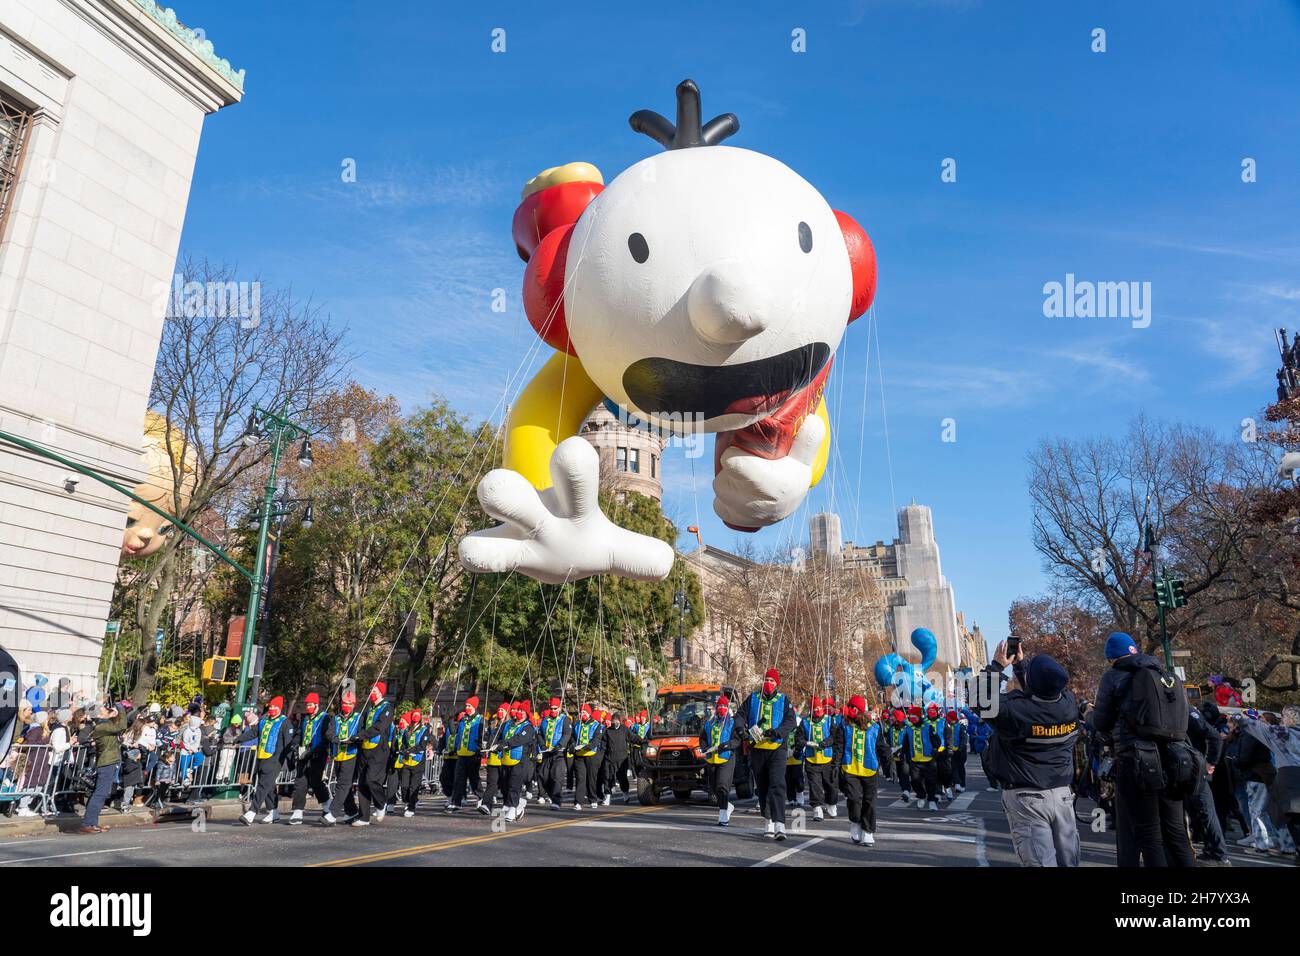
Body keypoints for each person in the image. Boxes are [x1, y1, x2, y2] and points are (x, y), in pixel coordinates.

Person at [1091, 632, 1195, 867]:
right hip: (1174, 757)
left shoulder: (1113, 677)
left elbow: (1101, 721)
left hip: (1137, 760)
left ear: (1111, 657)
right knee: (1177, 831)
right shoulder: (1162, 672)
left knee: (1148, 832)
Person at [979, 642, 1081, 867]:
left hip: (1027, 796)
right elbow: (1044, 691)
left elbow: (980, 699)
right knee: (1069, 862)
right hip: (1062, 793)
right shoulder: (1068, 705)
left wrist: (997, 666)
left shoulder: (1016, 712)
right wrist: (1022, 669)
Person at [739, 668, 796, 840]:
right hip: (757, 749)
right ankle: (768, 820)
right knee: (762, 786)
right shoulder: (753, 698)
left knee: (777, 784)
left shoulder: (784, 700)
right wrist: (741, 730)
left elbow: (791, 721)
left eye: (772, 681)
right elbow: (740, 715)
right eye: (766, 680)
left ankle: (780, 824)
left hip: (777, 749)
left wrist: (777, 732)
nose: (768, 683)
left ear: (777, 684)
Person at [835, 696, 890, 846]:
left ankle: (868, 831)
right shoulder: (844, 726)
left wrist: (887, 765)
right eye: (850, 707)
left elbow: (882, 747)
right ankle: (855, 822)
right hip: (850, 769)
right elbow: (838, 747)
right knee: (853, 799)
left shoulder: (875, 727)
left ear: (861, 711)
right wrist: (835, 766)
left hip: (869, 770)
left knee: (869, 802)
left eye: (854, 708)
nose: (851, 710)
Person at [1184, 701, 1230, 864]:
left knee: (1206, 812)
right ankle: (1210, 849)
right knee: (1197, 814)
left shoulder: (1187, 711)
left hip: (1196, 769)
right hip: (1185, 769)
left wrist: (1211, 762)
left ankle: (1219, 853)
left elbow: (1214, 737)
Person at [239, 695, 291, 825]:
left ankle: (251, 812)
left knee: (262, 785)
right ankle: (273, 812)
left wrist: (290, 760)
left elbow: (288, 742)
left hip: (275, 759)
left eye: (275, 706)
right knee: (269, 786)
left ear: (280, 708)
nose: (272, 708)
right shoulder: (264, 720)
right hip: (262, 757)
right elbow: (254, 733)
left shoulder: (285, 722)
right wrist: (237, 739)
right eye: (271, 706)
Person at [79, 700, 126, 834]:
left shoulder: (104, 724)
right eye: (104, 709)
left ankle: (92, 822)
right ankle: (87, 823)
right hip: (106, 763)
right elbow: (122, 725)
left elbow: (116, 723)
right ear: (99, 715)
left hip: (109, 761)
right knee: (100, 794)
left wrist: (113, 712)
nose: (107, 710)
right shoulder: (102, 727)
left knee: (101, 794)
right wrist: (120, 708)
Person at [352, 682, 393, 826]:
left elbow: (379, 727)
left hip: (379, 750)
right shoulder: (369, 709)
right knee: (362, 782)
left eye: (374, 690)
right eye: (371, 690)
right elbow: (362, 725)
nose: (372, 693)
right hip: (365, 749)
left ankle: (381, 803)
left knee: (372, 779)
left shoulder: (387, 707)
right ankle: (364, 817)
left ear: (381, 692)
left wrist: (362, 735)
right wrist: (355, 736)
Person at [290, 691, 333, 825]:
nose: (308, 707)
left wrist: (315, 751)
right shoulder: (305, 718)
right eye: (307, 704)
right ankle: (297, 811)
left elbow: (326, 738)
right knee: (300, 781)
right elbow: (298, 734)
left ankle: (327, 805)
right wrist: (295, 745)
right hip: (303, 754)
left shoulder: (325, 718)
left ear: (317, 705)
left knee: (315, 781)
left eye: (311, 704)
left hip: (317, 754)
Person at [323, 690, 363, 825]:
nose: (347, 705)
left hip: (352, 754)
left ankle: (332, 813)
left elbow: (361, 734)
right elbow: (329, 732)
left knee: (343, 784)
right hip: (338, 755)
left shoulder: (359, 717)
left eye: (349, 703)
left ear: (354, 705)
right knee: (344, 785)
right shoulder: (336, 718)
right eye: (345, 703)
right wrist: (335, 739)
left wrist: (353, 740)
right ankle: (352, 811)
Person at [499, 701, 536, 821]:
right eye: (518, 710)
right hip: (505, 759)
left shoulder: (528, 728)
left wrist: (505, 744)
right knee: (505, 785)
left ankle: (513, 809)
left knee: (514, 785)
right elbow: (499, 735)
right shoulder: (508, 724)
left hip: (520, 760)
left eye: (522, 711)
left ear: (526, 713)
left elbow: (519, 739)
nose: (519, 713)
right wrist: (494, 746)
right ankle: (516, 803)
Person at [901, 705, 942, 811]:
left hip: (928, 760)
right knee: (915, 781)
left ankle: (932, 801)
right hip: (915, 761)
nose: (912, 717)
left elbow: (936, 740)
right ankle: (921, 796)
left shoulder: (928, 727)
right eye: (911, 716)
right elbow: (905, 743)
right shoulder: (909, 728)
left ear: (919, 716)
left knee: (930, 781)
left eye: (914, 715)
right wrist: (904, 754)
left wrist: (935, 750)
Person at [801, 698, 835, 821]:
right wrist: (806, 743)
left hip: (827, 758)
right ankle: (817, 808)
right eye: (814, 708)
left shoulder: (829, 720)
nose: (817, 710)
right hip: (812, 759)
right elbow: (799, 738)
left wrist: (826, 743)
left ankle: (831, 803)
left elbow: (834, 736)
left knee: (830, 784)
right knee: (814, 785)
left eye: (819, 707)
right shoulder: (805, 722)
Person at [447, 696, 484, 812]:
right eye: (466, 705)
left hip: (473, 754)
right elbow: (455, 733)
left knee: (474, 779)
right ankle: (456, 803)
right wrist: (450, 718)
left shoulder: (480, 719)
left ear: (474, 707)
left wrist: (479, 748)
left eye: (469, 706)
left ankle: (482, 798)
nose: (467, 707)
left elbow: (482, 736)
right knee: (459, 779)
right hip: (461, 754)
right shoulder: (463, 719)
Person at [538, 698, 572, 809]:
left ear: (559, 708)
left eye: (555, 708)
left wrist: (559, 746)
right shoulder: (545, 720)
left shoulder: (564, 719)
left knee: (557, 777)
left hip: (559, 754)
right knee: (543, 776)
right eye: (551, 708)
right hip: (547, 753)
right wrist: (542, 745)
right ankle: (552, 795)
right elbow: (539, 734)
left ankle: (557, 801)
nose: (553, 710)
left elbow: (567, 734)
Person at [478, 702, 511, 814]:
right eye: (499, 710)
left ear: (507, 712)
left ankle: (508, 805)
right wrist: (484, 744)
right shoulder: (493, 725)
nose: (500, 712)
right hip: (492, 759)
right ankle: (486, 805)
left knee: (505, 784)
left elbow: (507, 740)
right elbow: (487, 738)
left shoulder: (509, 725)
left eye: (503, 710)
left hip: (504, 759)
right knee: (491, 783)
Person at [571, 703, 604, 810]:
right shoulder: (577, 725)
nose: (582, 714)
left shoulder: (596, 725)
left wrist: (586, 747)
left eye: (584, 712)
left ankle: (593, 799)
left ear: (589, 713)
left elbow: (596, 740)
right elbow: (572, 738)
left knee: (591, 778)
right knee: (580, 778)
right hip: (579, 756)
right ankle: (578, 801)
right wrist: (572, 746)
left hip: (591, 755)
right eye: (581, 712)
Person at [604, 712, 631, 805]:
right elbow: (603, 743)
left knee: (622, 777)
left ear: (620, 721)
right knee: (607, 777)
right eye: (613, 721)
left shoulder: (625, 730)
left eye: (616, 720)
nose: (614, 722)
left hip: (622, 758)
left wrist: (642, 741)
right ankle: (607, 796)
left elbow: (632, 737)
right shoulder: (607, 731)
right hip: (609, 758)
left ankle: (625, 792)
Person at [946, 710, 968, 794]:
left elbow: (964, 739)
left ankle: (962, 784)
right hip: (952, 751)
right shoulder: (947, 725)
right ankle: (957, 784)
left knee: (961, 768)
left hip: (960, 751)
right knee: (953, 767)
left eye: (949, 719)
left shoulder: (961, 726)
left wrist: (960, 748)